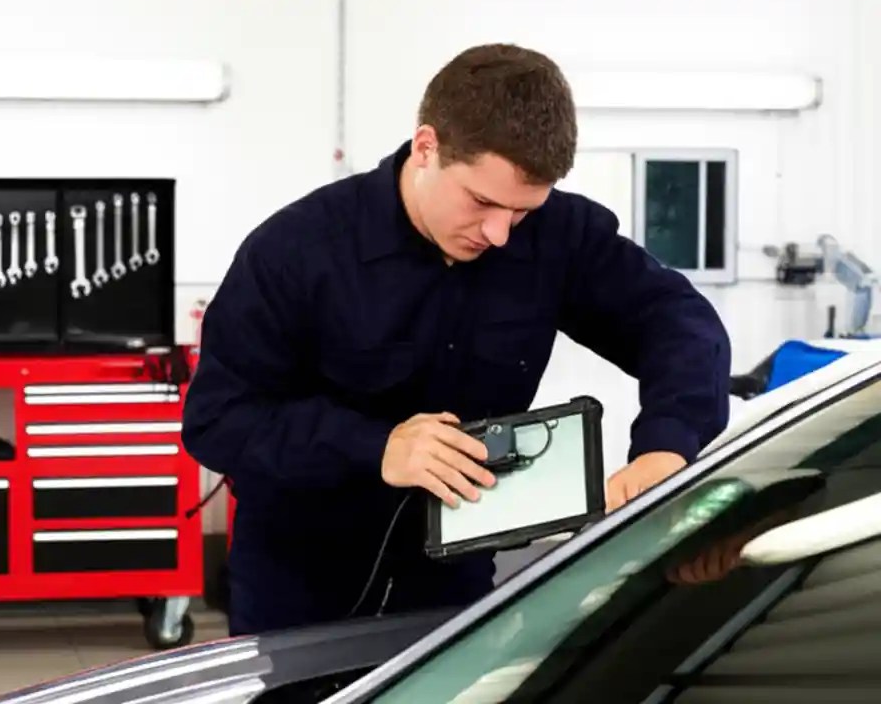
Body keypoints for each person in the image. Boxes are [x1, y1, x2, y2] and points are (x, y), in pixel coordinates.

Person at [181, 43, 732, 637]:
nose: (499, 234)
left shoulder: (557, 238)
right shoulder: (294, 252)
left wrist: (666, 446)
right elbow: (218, 419)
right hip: (299, 595)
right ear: (427, 148)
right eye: (482, 202)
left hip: (453, 589)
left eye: (521, 212)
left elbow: (680, 324)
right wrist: (375, 447)